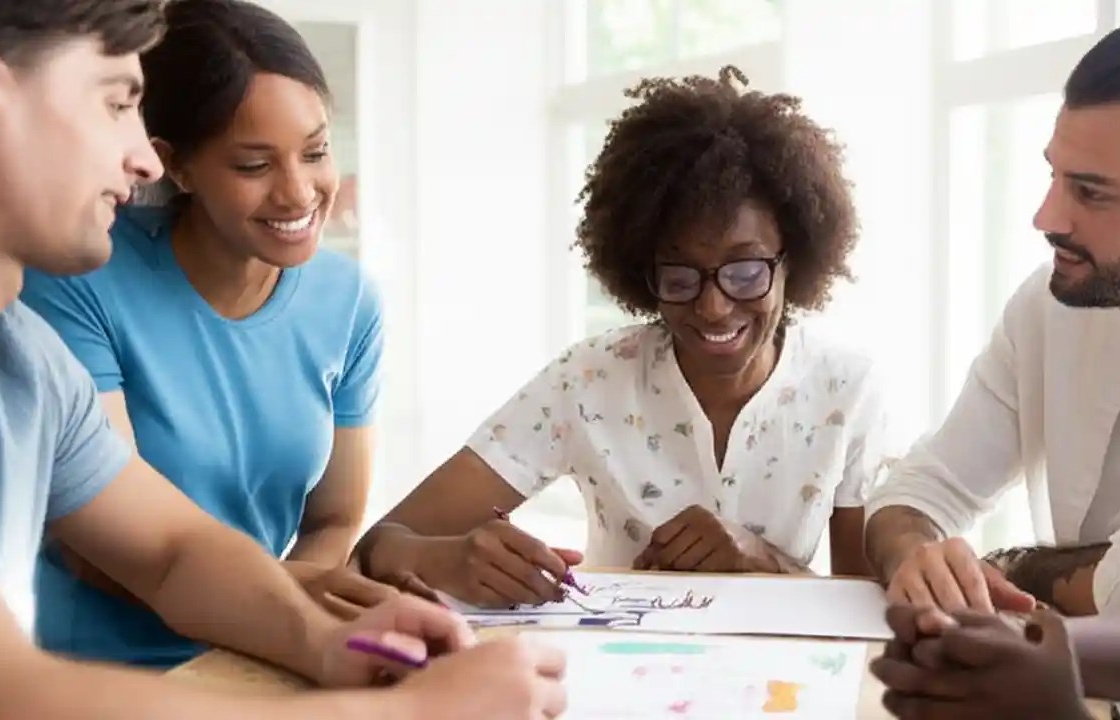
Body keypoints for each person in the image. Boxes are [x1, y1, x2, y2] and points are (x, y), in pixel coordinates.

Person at [0, 1, 564, 718]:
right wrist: (411, 712)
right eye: (117, 101)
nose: (144, 158)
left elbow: (173, 550)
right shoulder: (70, 318)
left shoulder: (24, 367)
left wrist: (323, 640)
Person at [354, 66, 895, 608]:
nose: (712, 306)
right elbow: (377, 550)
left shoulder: (845, 388)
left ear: (793, 260)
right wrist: (449, 559)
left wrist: (762, 560)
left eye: (745, 272)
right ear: (642, 271)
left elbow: (867, 611)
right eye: (680, 278)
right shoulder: (591, 379)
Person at [870, 20, 1120, 720]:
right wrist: (1009, 643)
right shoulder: (1048, 305)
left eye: (1093, 192)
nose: (1045, 216)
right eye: (1053, 176)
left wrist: (1039, 671)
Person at [19, 0, 406, 669]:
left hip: (265, 653)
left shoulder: (349, 303)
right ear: (175, 165)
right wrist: (284, 616)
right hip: (101, 673)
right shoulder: (81, 274)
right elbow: (105, 550)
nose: (298, 193)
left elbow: (333, 520)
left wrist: (290, 629)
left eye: (315, 152)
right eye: (254, 166)